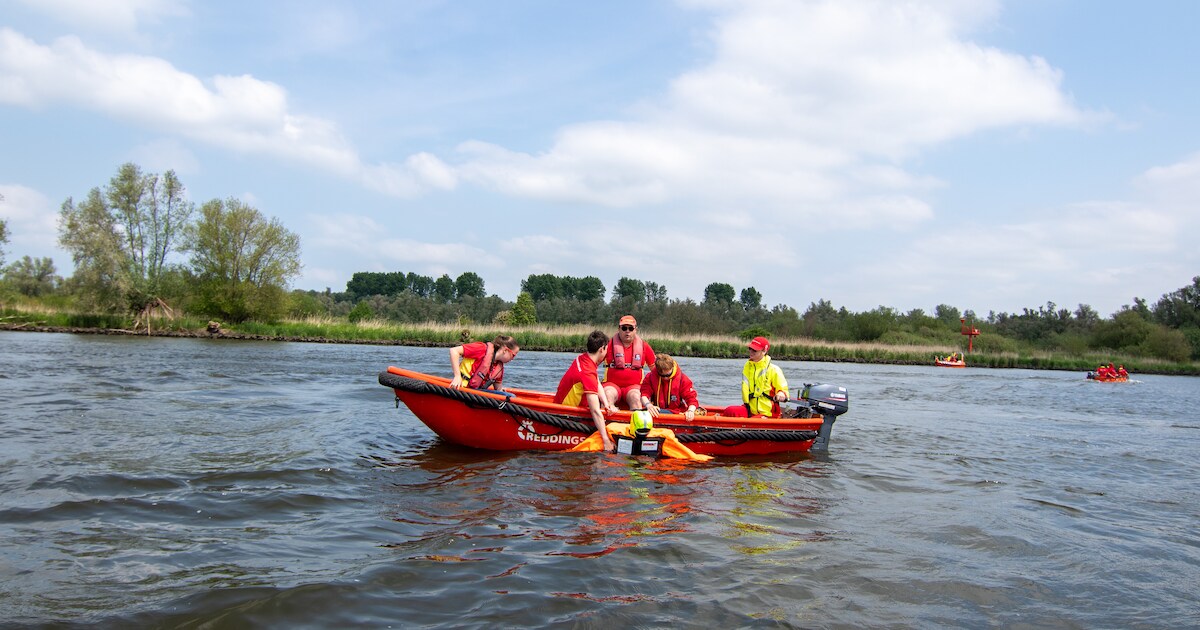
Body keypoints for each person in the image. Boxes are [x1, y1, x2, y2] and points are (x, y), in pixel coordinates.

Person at [554, 330, 618, 452]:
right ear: (601, 349)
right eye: (606, 349)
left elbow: (596, 381)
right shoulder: (587, 372)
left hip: (562, 406)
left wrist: (606, 403)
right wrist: (605, 440)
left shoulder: (583, 358)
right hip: (566, 417)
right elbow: (594, 410)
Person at [723, 336, 789, 418]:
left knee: (754, 420)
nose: (751, 352)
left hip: (767, 413)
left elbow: (784, 390)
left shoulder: (774, 369)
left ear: (764, 351)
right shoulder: (748, 367)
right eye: (750, 349)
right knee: (730, 411)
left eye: (754, 350)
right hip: (749, 409)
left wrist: (781, 393)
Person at [602, 315, 656, 411]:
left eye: (630, 328)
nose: (627, 331)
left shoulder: (644, 347)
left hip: (634, 387)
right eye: (624, 328)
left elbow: (656, 371)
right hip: (611, 385)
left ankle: (636, 423)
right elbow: (592, 364)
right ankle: (606, 422)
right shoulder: (608, 345)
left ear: (636, 330)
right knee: (608, 395)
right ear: (619, 329)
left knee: (636, 397)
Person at [639, 354, 699, 421]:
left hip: (676, 412)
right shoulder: (650, 377)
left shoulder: (683, 379)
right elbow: (644, 395)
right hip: (656, 410)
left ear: (672, 367)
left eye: (668, 375)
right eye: (662, 376)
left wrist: (690, 411)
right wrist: (649, 405)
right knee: (639, 412)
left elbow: (692, 399)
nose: (665, 378)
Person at [448, 335, 520, 391]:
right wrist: (457, 376)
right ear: (505, 350)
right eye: (513, 355)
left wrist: (502, 391)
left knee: (509, 396)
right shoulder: (482, 349)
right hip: (463, 388)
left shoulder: (499, 367)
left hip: (476, 392)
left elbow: (498, 388)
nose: (512, 359)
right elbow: (454, 351)